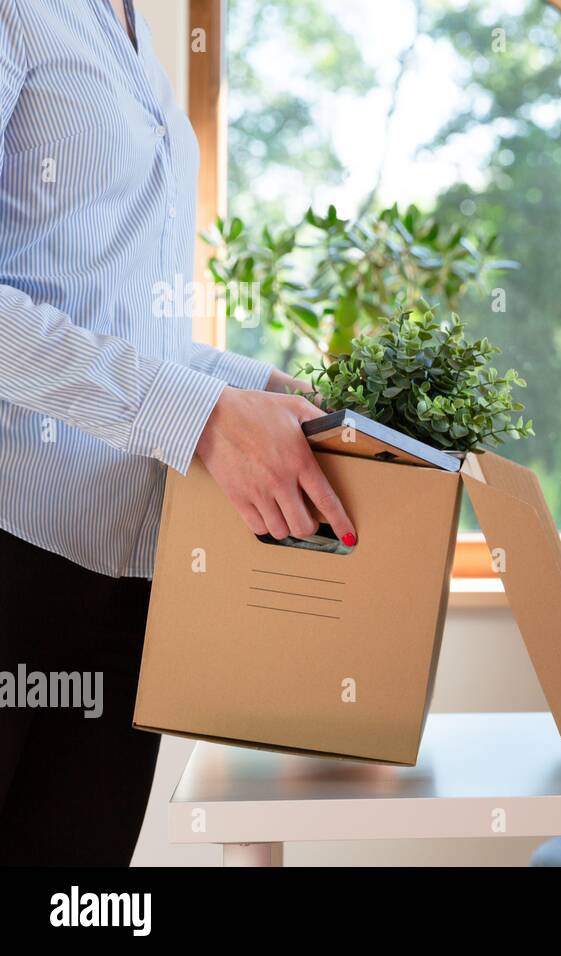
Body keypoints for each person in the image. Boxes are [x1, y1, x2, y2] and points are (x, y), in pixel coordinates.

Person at [0, 0, 355, 865]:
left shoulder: (129, 26)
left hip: (127, 564)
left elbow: (117, 320)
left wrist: (263, 392)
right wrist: (196, 415)